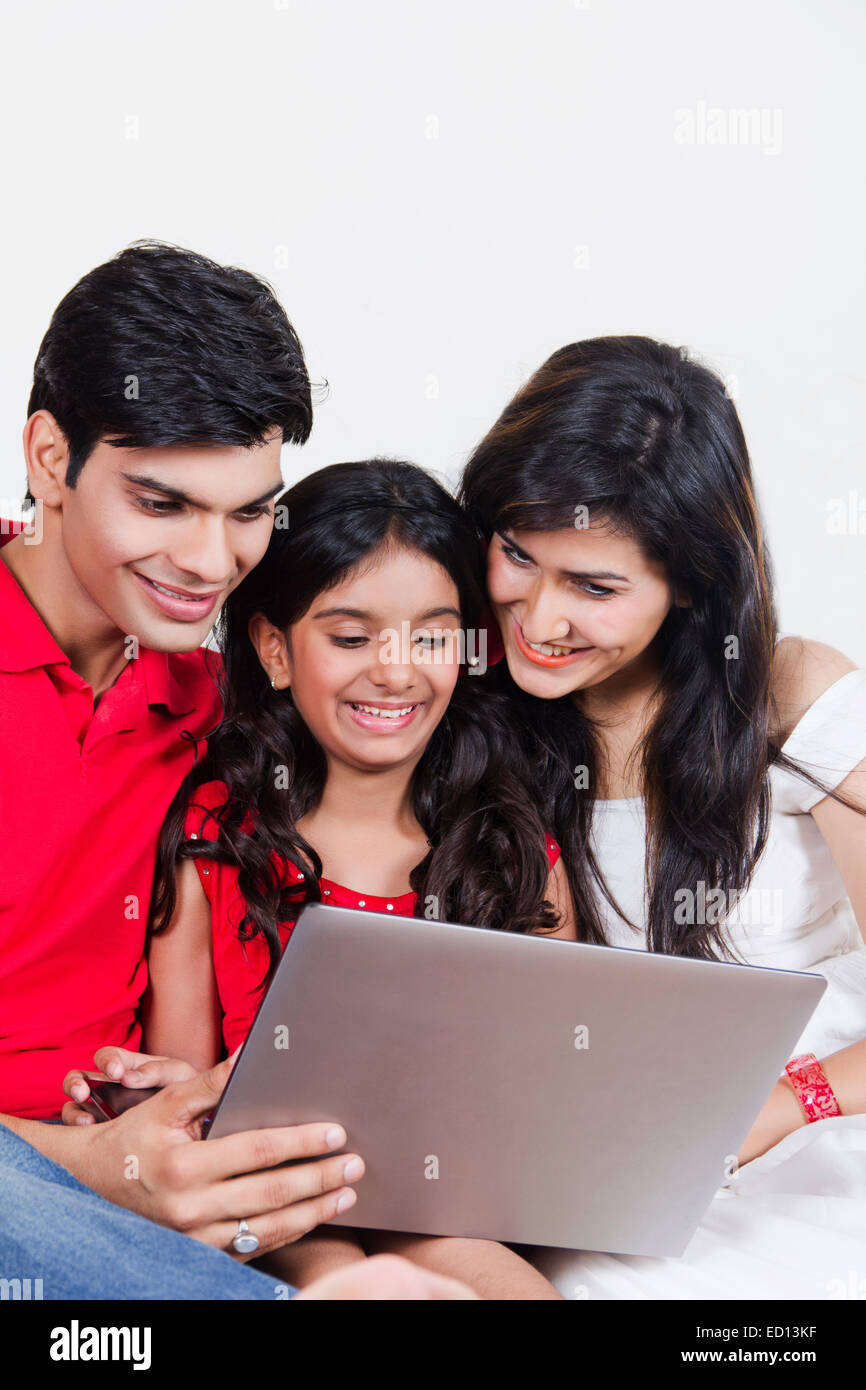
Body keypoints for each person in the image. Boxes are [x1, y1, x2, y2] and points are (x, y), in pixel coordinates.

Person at [0, 239, 473, 1300]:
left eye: (249, 510)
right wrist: (91, 1165)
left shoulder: (225, 705)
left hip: (137, 1158)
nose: (212, 563)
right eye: (162, 504)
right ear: (48, 458)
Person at [65, 457, 575, 1299]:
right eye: (349, 637)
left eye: (434, 637)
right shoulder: (216, 843)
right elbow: (186, 1095)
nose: (397, 670)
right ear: (272, 649)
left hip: (456, 1199)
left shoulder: (512, 844)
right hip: (284, 1200)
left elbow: (563, 1068)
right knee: (344, 1273)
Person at [457, 334, 866, 1297]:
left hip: (812, 1152)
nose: (539, 619)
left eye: (594, 589)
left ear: (689, 586)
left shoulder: (792, 697)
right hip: (609, 1192)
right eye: (518, 555)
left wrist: (782, 1107)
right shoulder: (466, 716)